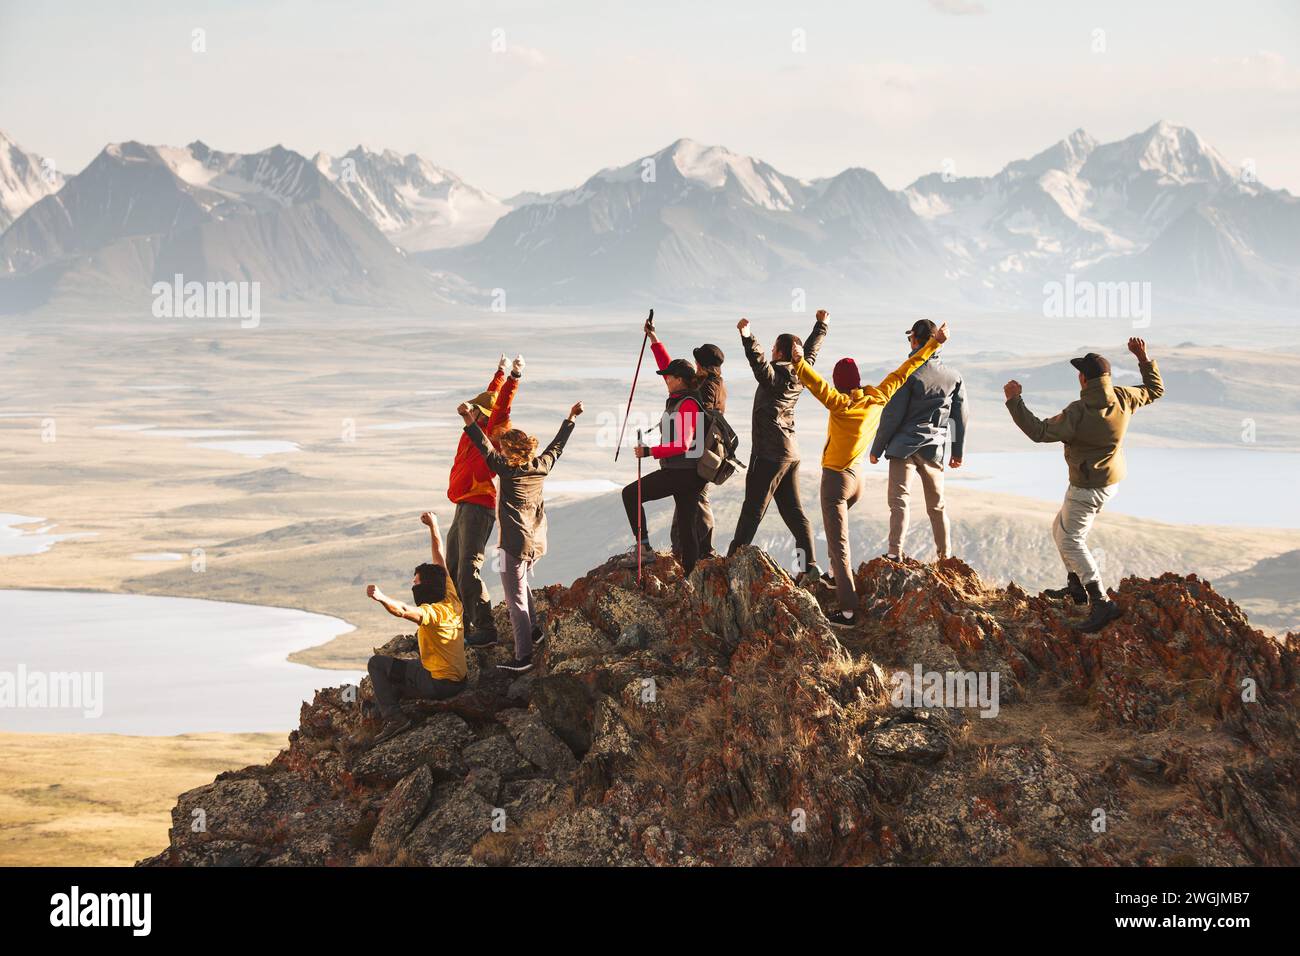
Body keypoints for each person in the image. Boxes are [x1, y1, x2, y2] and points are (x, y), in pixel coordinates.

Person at [793, 322, 949, 626]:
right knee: (835, 532)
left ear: (839, 384)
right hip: (857, 478)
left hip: (836, 480)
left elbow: (816, 384)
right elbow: (906, 369)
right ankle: (833, 575)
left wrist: (799, 361)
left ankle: (848, 611)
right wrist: (934, 345)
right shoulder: (877, 397)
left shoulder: (838, 404)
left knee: (839, 544)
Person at [1004, 337, 1164, 633]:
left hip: (1086, 487)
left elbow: (1038, 431)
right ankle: (1076, 588)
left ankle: (1101, 602)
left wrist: (1015, 401)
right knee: (1059, 528)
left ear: (1083, 378)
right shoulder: (1123, 397)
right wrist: (1143, 358)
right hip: (1109, 481)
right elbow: (1155, 389)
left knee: (1071, 541)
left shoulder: (1078, 412)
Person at [460, 399, 585, 673]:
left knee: (514, 600)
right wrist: (571, 417)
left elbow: (483, 447)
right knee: (522, 584)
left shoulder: (507, 470)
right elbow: (558, 446)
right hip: (537, 542)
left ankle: (523, 658)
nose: (499, 450)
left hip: (513, 545)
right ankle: (536, 631)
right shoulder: (542, 466)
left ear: (509, 450)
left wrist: (469, 419)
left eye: (503, 447)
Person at [727, 311, 830, 581]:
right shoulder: (801, 372)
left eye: (774, 347)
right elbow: (811, 353)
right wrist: (821, 326)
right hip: (790, 454)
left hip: (769, 454)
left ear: (781, 352)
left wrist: (748, 337)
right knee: (794, 512)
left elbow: (759, 364)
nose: (771, 350)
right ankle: (809, 567)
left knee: (752, 510)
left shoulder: (776, 377)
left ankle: (730, 566)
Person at [869, 318, 968, 562]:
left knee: (899, 502)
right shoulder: (953, 377)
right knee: (937, 506)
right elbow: (960, 416)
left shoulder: (909, 372)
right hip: (934, 449)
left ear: (915, 340)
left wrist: (877, 448)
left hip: (903, 447)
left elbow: (893, 414)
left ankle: (895, 553)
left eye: (909, 338)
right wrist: (957, 451)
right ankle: (945, 558)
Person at [364, 512, 466, 743]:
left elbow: (402, 610)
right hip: (459, 680)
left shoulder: (434, 613)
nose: (413, 585)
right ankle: (388, 701)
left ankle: (394, 718)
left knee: (377, 664)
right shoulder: (451, 598)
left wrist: (381, 597)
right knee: (409, 667)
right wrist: (434, 527)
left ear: (426, 586)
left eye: (416, 582)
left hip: (439, 685)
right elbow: (439, 558)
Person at [446, 354, 523, 647]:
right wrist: (499, 371)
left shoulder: (493, 432)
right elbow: (492, 394)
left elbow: (501, 404)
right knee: (452, 567)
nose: (472, 412)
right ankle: (461, 625)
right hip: (463, 504)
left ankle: (486, 628)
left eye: (476, 410)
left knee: (468, 567)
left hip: (479, 506)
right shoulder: (472, 428)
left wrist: (514, 376)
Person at [620, 328, 711, 576]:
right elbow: (666, 365)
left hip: (681, 472)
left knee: (630, 494)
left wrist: (650, 450)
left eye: (669, 377)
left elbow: (683, 443)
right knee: (686, 526)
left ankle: (644, 547)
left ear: (680, 379)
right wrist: (654, 339)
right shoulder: (681, 395)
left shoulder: (688, 405)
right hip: (689, 474)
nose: (665, 379)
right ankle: (691, 576)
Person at [670, 341, 726, 560]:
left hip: (698, 453)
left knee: (697, 499)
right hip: (705, 452)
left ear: (701, 365)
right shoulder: (716, 384)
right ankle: (686, 548)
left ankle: (702, 550)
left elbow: (705, 418)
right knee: (690, 499)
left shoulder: (708, 386)